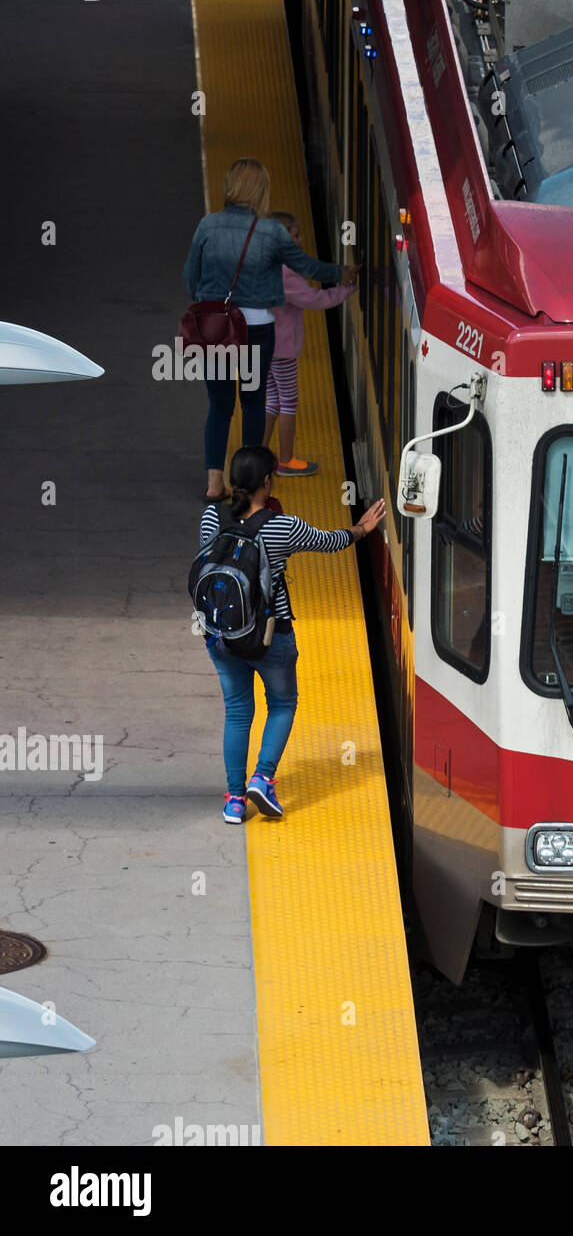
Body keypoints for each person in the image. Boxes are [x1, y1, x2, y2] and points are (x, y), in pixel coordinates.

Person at [202, 444, 385, 824]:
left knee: (237, 712)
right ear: (267, 481)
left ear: (235, 481)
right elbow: (329, 541)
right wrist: (362, 528)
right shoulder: (281, 525)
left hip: (222, 634)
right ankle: (263, 777)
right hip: (271, 635)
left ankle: (235, 800)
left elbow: (209, 561)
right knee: (282, 704)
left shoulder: (211, 516)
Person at [183, 158, 357, 502]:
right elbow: (305, 266)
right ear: (261, 190)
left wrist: (209, 302)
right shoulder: (271, 231)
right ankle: (246, 484)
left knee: (219, 406)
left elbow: (191, 275)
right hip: (256, 330)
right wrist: (342, 273)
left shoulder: (208, 225)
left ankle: (214, 483)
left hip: (215, 327)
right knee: (252, 403)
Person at [262, 211, 356, 477]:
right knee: (289, 401)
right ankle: (286, 460)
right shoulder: (286, 273)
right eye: (296, 235)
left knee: (273, 401)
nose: (301, 240)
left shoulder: (265, 264)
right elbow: (315, 299)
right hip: (283, 348)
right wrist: (348, 288)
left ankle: (259, 452)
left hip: (265, 343)